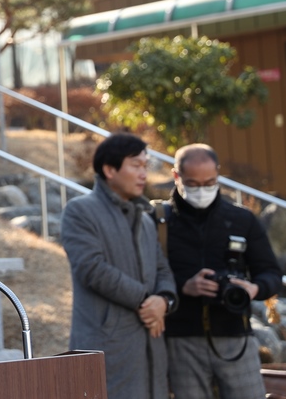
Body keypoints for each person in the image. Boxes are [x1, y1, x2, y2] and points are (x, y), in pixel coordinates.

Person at [60, 132, 178, 399]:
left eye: (145, 166)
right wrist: (146, 300)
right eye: (135, 165)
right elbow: (92, 268)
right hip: (106, 346)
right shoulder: (80, 211)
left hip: (151, 348)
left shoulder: (146, 219)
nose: (143, 174)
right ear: (109, 170)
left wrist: (165, 301)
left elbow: (163, 269)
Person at [162, 143, 282, 398]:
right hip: (181, 337)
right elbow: (147, 276)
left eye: (210, 182)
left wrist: (253, 289)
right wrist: (184, 285)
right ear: (176, 176)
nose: (202, 190)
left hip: (234, 334)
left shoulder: (242, 219)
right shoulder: (160, 222)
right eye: (193, 184)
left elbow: (271, 273)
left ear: (218, 175)